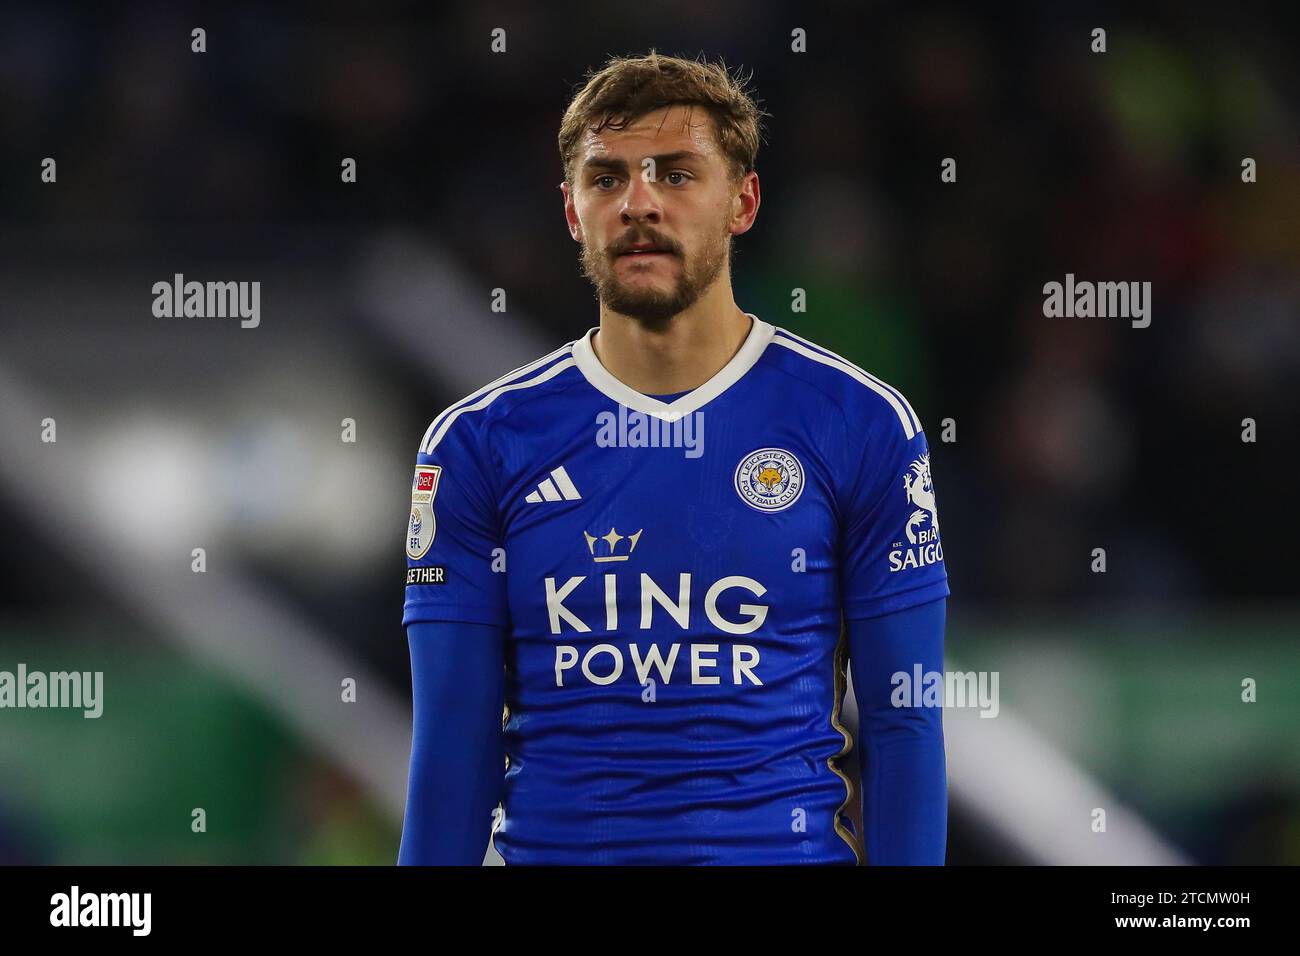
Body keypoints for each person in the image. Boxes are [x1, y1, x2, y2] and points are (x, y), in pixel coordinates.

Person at [399, 51, 948, 865]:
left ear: (743, 202)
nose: (639, 203)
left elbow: (904, 724)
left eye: (678, 175)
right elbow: (451, 744)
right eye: (608, 178)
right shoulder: (479, 446)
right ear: (572, 210)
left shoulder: (858, 424)